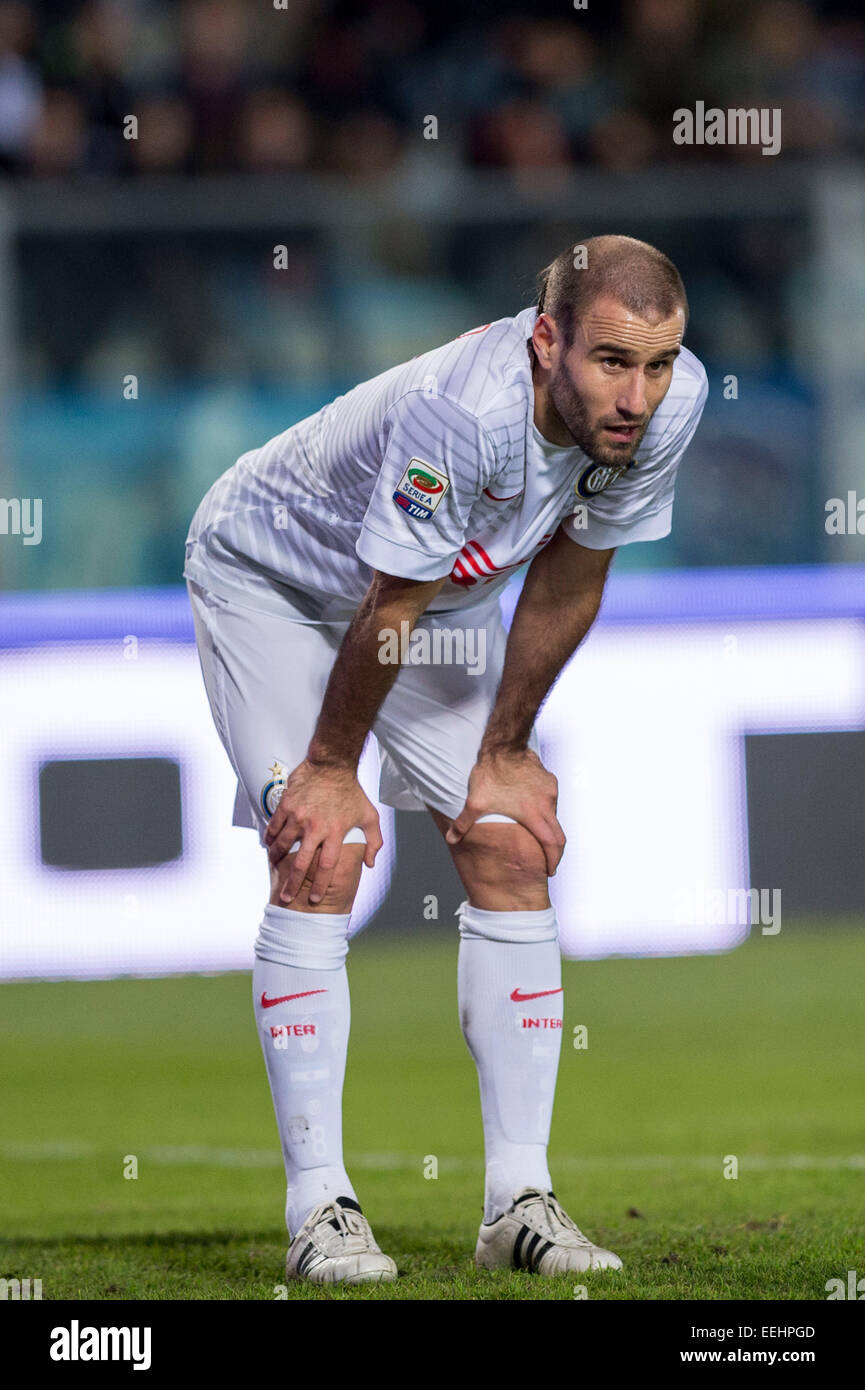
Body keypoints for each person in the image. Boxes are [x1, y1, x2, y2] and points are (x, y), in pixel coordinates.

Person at [183, 234, 708, 1285]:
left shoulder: (671, 402)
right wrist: (332, 767)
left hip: (431, 608)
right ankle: (319, 1206)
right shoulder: (463, 412)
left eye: (655, 363)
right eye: (612, 361)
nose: (637, 393)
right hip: (279, 581)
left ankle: (519, 1201)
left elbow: (569, 577)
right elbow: (385, 607)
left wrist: (507, 749)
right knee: (320, 850)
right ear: (545, 337)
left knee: (511, 843)